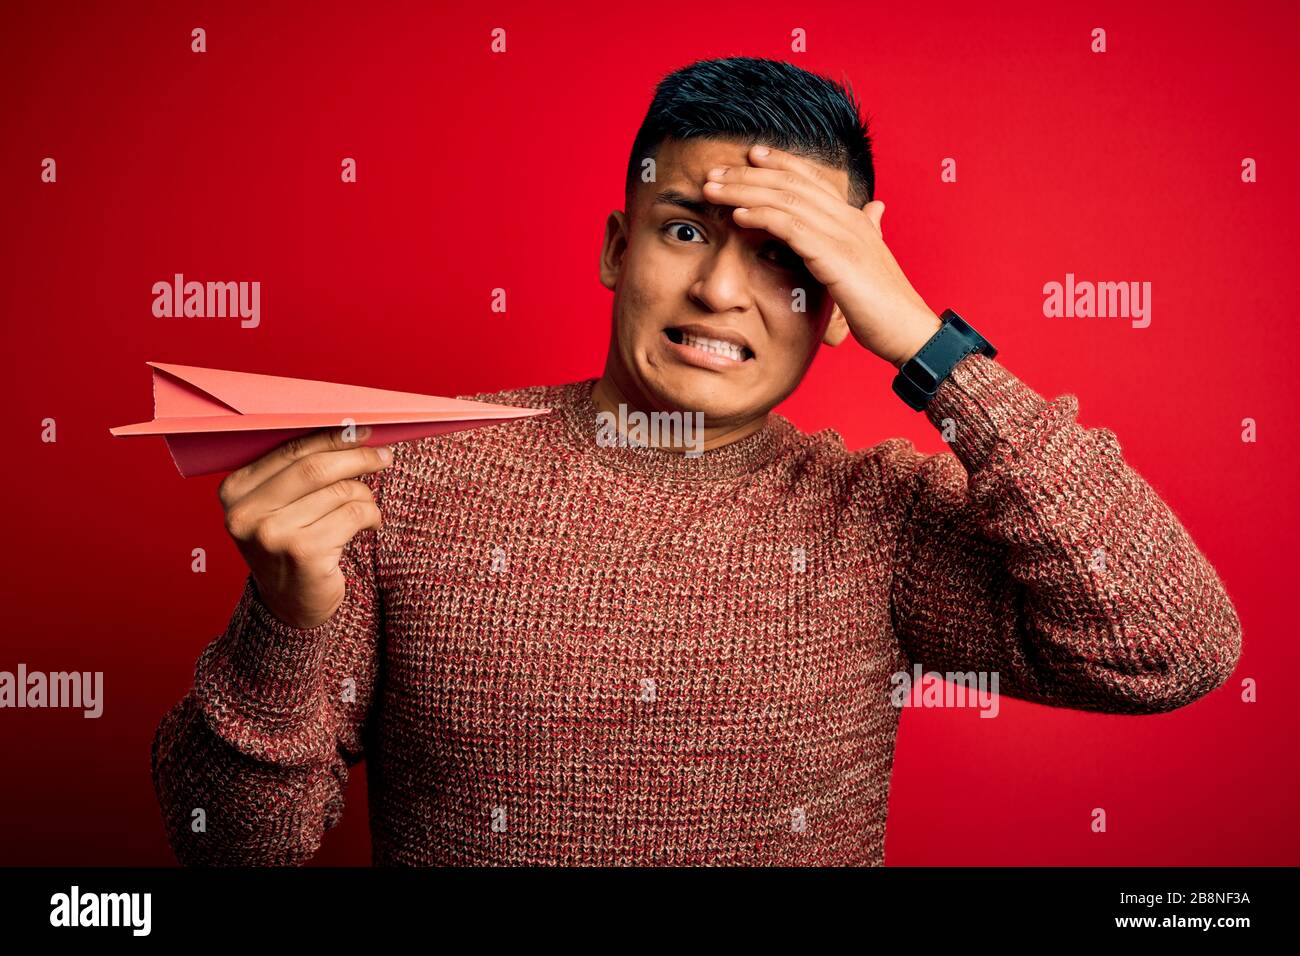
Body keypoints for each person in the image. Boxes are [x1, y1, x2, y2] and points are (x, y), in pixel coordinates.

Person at [150, 56, 1242, 866]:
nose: (721, 291)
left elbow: (1171, 647)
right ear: (617, 246)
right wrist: (282, 623)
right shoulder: (408, 476)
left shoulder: (878, 520)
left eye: (787, 260)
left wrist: (929, 342)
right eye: (685, 232)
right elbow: (232, 847)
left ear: (836, 305)